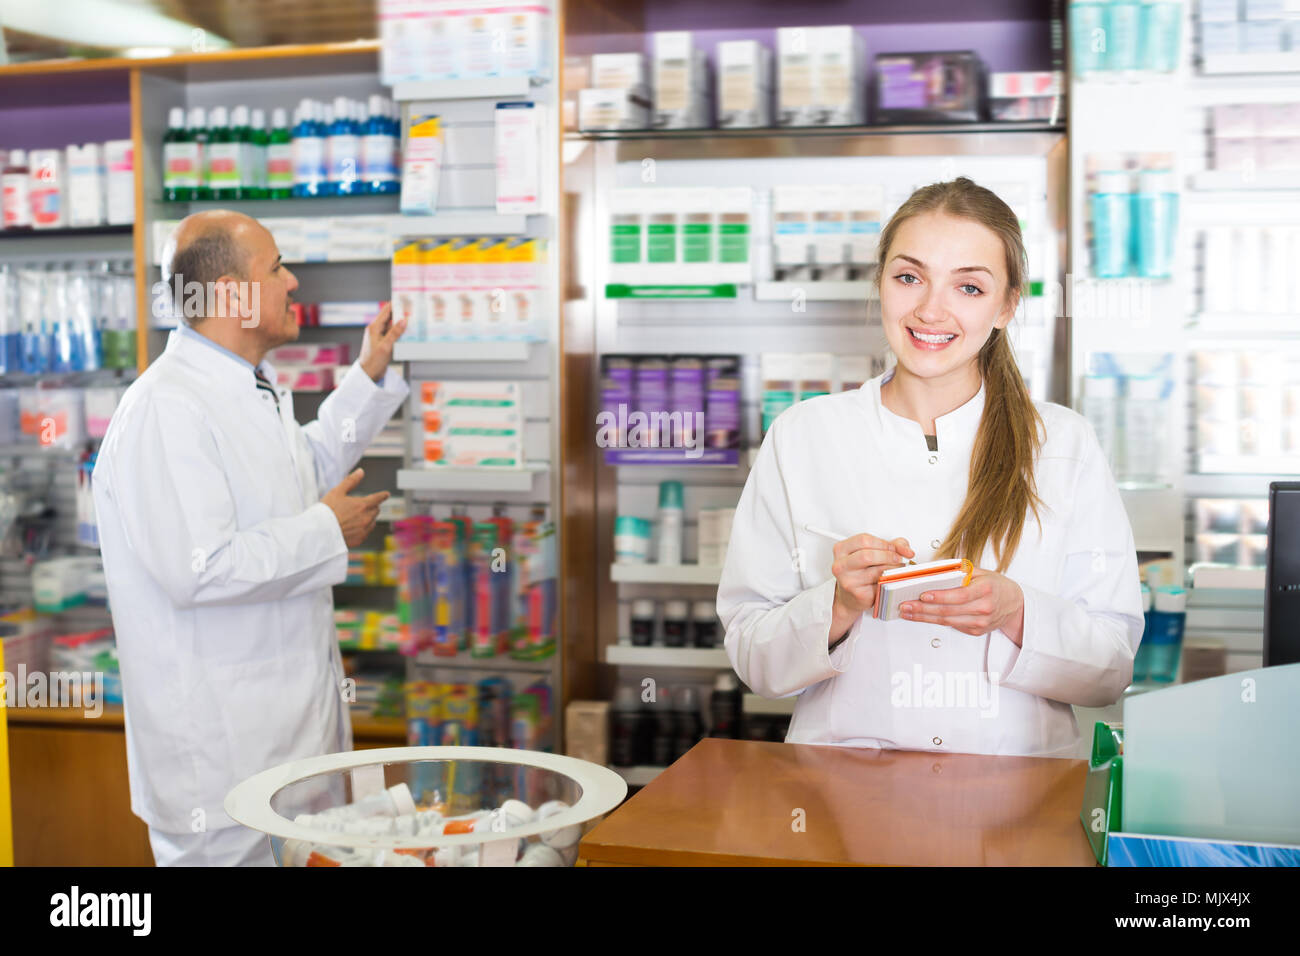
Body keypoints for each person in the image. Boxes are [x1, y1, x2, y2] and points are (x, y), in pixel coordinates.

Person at [717, 178, 1143, 758]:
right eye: (909, 277)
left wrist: (1018, 612)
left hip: (1020, 803)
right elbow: (752, 658)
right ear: (882, 283)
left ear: (1006, 306)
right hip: (846, 799)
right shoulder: (803, 435)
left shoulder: (1062, 443)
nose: (930, 310)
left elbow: (1111, 668)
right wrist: (837, 606)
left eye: (968, 286)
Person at [92, 210, 409, 865]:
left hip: (284, 755)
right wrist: (328, 528)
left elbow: (300, 473)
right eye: (277, 268)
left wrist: (368, 377)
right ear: (231, 295)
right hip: (222, 771)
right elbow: (200, 568)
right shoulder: (166, 410)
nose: (294, 282)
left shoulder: (245, 390)